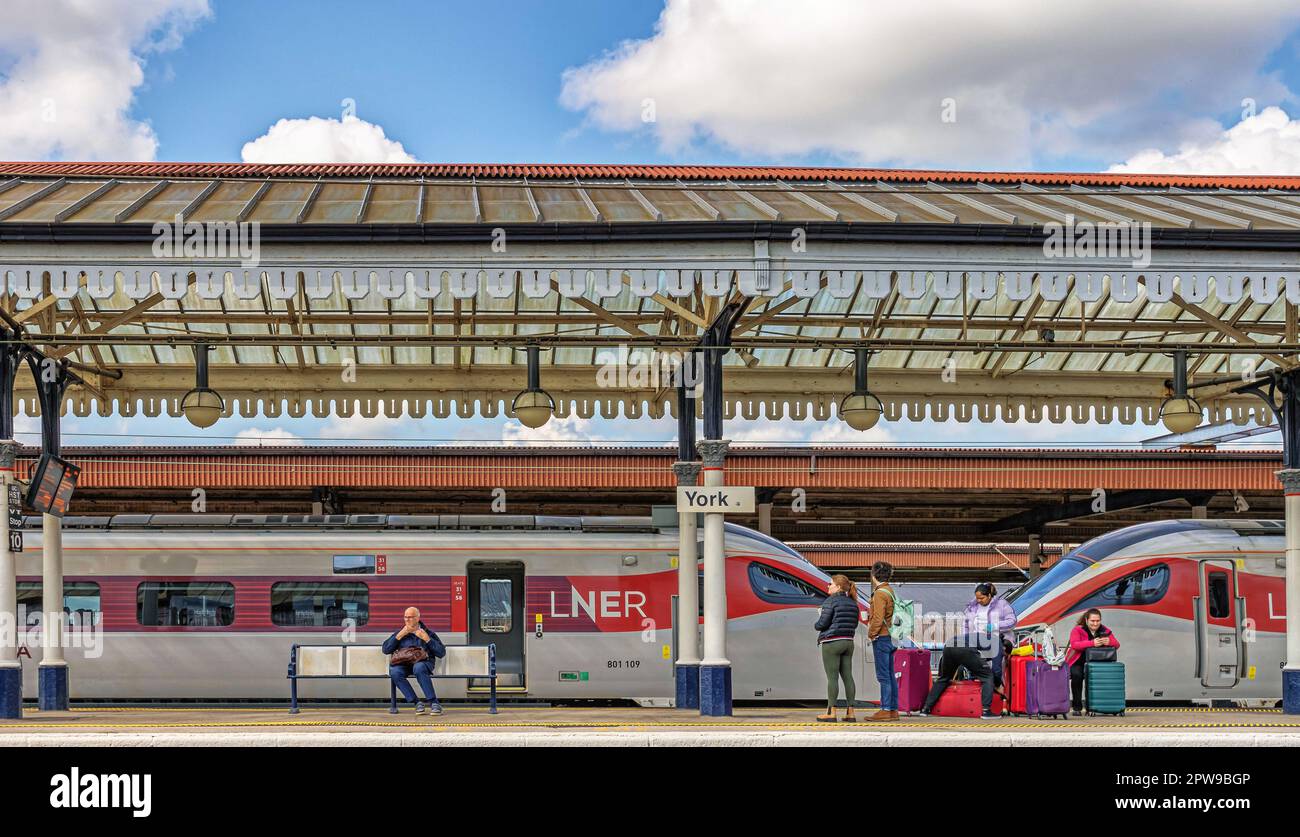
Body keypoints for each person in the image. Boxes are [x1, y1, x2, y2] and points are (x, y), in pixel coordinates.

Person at [919, 629, 1003, 719]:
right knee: (987, 676)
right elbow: (996, 670)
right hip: (964, 648)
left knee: (944, 678)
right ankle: (986, 711)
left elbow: (975, 663)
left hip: (949, 645)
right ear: (1005, 648)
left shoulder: (984, 638)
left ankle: (925, 709)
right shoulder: (998, 643)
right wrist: (997, 685)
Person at [813, 574, 861, 722]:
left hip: (832, 642)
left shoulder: (830, 601)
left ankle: (831, 712)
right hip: (848, 642)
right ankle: (850, 713)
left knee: (832, 678)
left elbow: (821, 624)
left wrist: (818, 619)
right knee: (848, 676)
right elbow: (854, 624)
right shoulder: (853, 603)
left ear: (838, 587)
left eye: (830, 584)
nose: (828, 586)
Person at [382, 607, 447, 715]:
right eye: (405, 617)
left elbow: (441, 653)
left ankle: (434, 703)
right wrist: (398, 636)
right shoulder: (400, 633)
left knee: (419, 667)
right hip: (404, 664)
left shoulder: (428, 633)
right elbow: (386, 649)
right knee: (395, 672)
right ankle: (416, 703)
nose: (407, 620)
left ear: (417, 618)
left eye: (410, 617)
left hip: (424, 663)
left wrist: (427, 639)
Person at [1067, 608, 1121, 716]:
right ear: (1086, 620)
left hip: (1096, 663)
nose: (1095, 623)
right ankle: (1077, 707)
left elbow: (1117, 644)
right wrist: (1092, 643)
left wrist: (1109, 641)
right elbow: (1075, 645)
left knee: (1097, 678)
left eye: (1098, 621)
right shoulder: (1077, 630)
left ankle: (1094, 707)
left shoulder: (1105, 630)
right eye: (1092, 621)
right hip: (1078, 662)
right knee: (1077, 676)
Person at [963, 582, 1017, 689]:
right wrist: (965, 639)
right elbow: (965, 625)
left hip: (999, 640)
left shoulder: (1002, 604)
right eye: (977, 598)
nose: (979, 600)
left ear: (989, 596)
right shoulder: (972, 607)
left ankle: (998, 686)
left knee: (996, 666)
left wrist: (993, 627)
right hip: (979, 641)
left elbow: (1012, 621)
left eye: (982, 598)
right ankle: (976, 688)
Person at [866, 561, 898, 722]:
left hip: (881, 637)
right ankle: (893, 710)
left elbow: (878, 618)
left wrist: (871, 633)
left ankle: (885, 709)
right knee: (890, 675)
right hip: (890, 637)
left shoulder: (879, 593)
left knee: (883, 676)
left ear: (873, 575)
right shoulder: (890, 591)